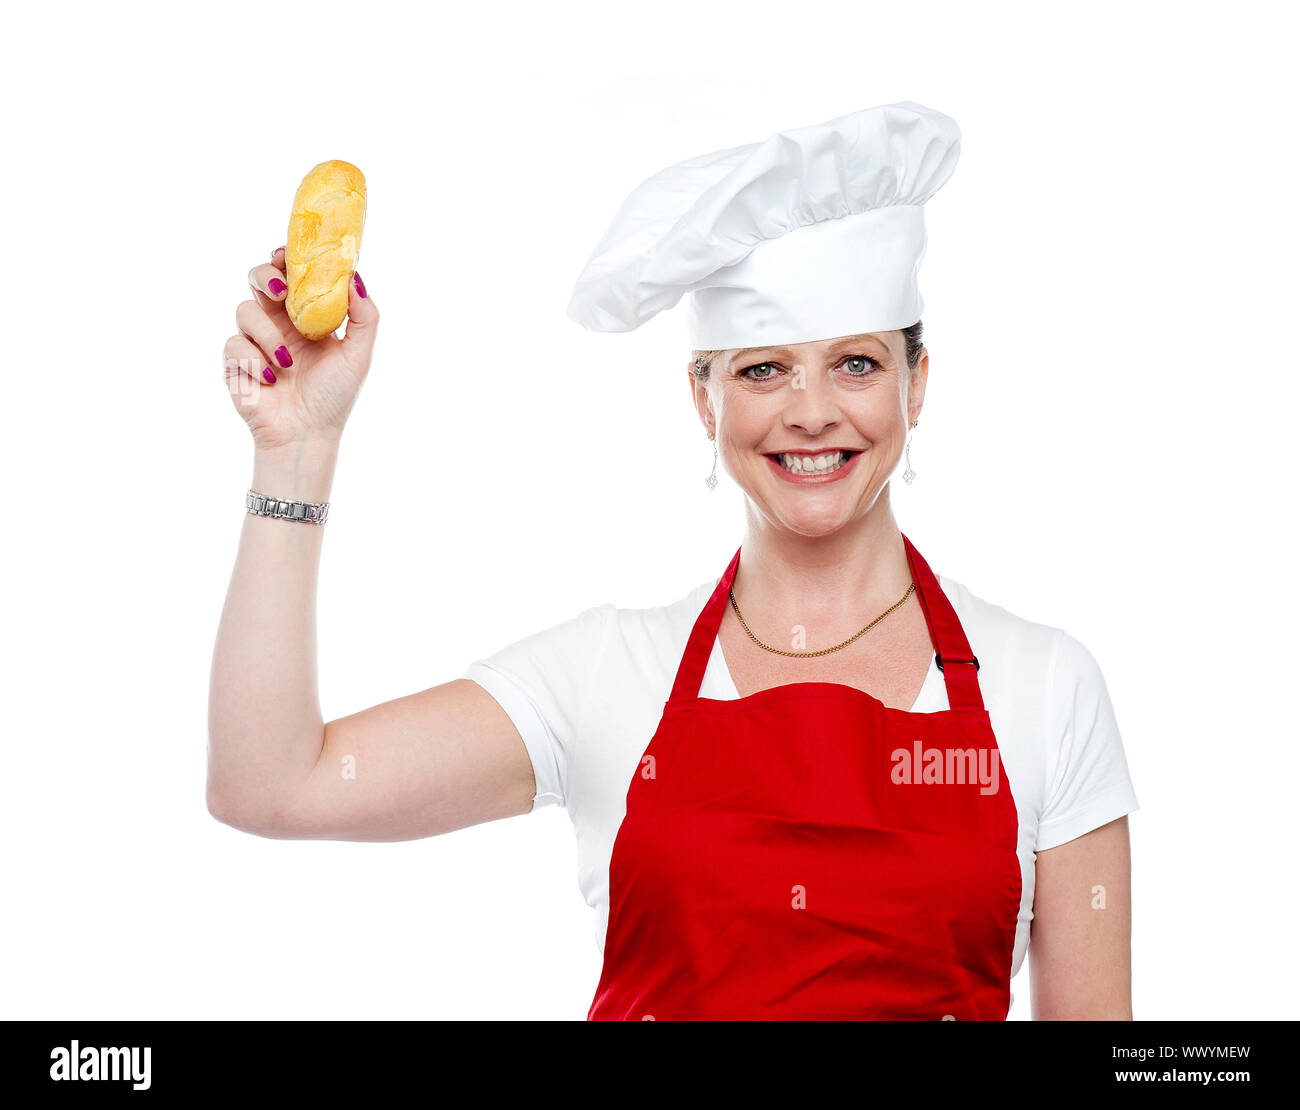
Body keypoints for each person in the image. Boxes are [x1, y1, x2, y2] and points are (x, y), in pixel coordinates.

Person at [209, 101, 1138, 1021]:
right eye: (761, 369)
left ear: (916, 383)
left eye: (855, 363)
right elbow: (273, 785)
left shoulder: (1044, 687)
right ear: (703, 399)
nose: (811, 411)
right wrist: (296, 452)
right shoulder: (607, 675)